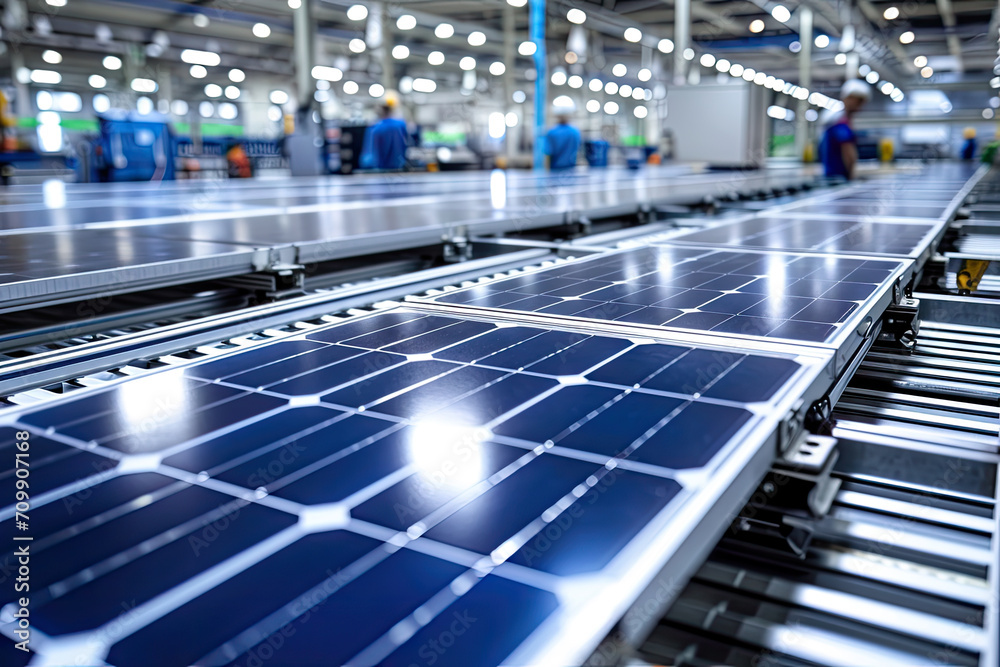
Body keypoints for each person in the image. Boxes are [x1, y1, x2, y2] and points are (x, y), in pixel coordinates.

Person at [820, 79, 870, 181]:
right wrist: (851, 177)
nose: (860, 105)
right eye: (858, 101)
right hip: (837, 178)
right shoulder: (840, 123)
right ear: (848, 98)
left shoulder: (835, 120)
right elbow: (848, 153)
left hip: (832, 176)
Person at [362, 95, 409, 171]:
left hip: (380, 169)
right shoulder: (400, 125)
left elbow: (368, 156)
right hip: (399, 169)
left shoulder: (375, 128)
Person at [545, 96, 582, 171]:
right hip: (571, 171)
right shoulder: (575, 132)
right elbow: (578, 154)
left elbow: (547, 156)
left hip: (554, 172)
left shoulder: (551, 133)